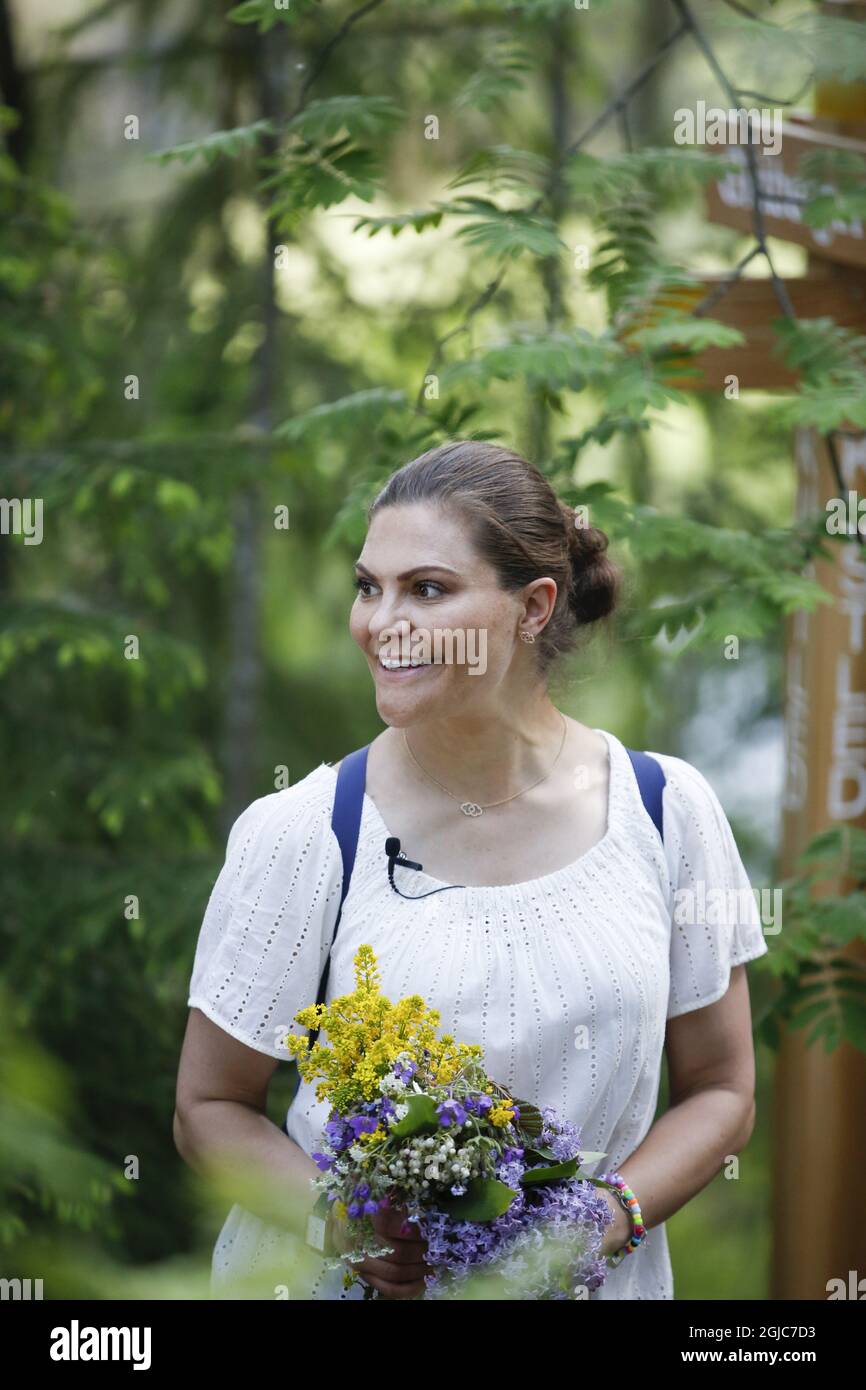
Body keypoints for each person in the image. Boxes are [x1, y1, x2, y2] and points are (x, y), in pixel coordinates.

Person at [173, 439, 768, 1300]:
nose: (382, 623)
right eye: (368, 587)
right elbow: (210, 1108)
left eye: (428, 589)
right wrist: (333, 1222)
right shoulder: (307, 831)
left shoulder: (666, 810)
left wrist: (596, 1224)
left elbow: (721, 1091)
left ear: (533, 607)